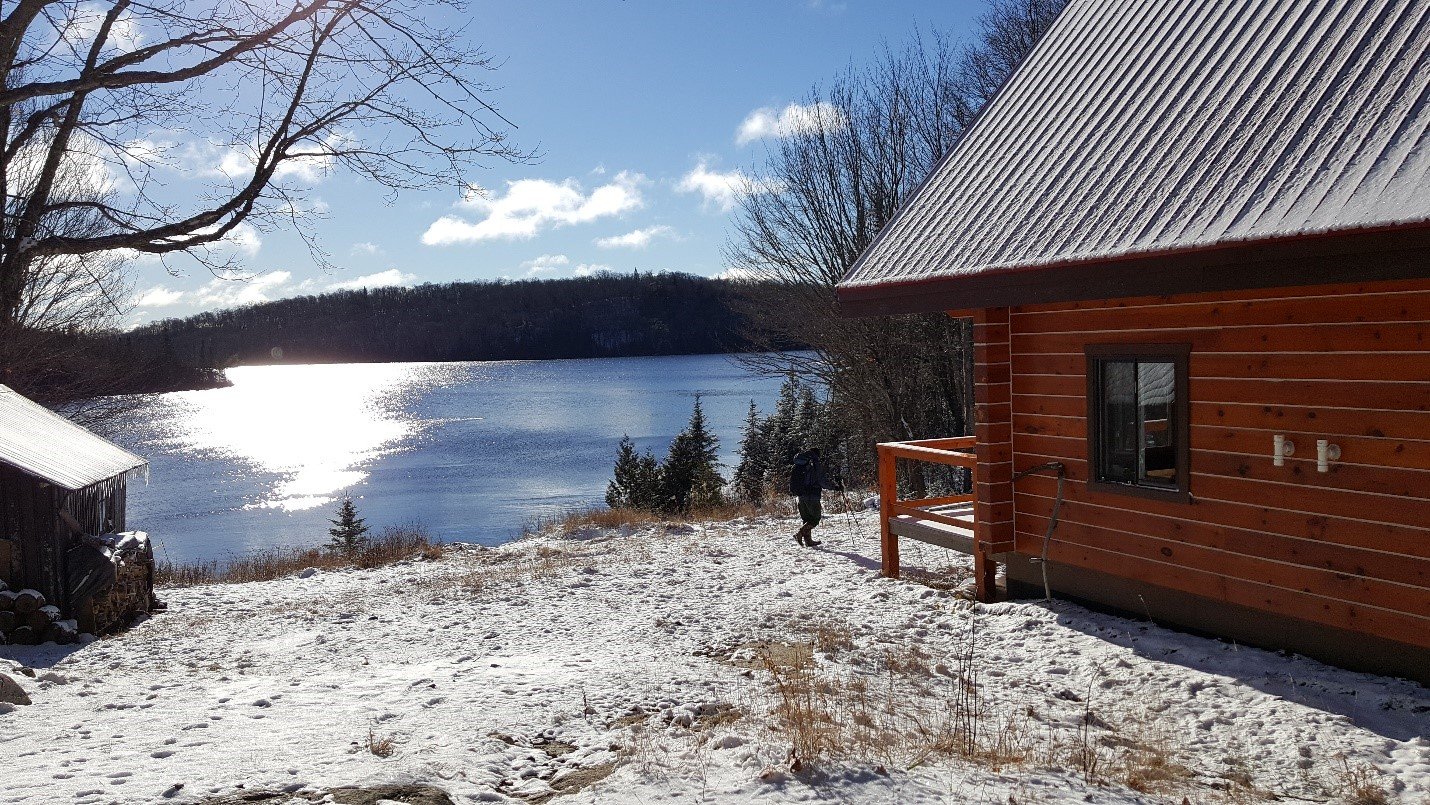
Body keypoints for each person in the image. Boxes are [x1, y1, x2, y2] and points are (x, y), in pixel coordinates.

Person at [788, 447, 843, 547]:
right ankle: (799, 534)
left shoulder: (800, 464)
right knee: (815, 519)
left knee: (807, 519)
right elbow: (822, 482)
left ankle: (808, 541)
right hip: (812, 496)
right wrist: (835, 487)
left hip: (801, 496)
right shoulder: (814, 465)